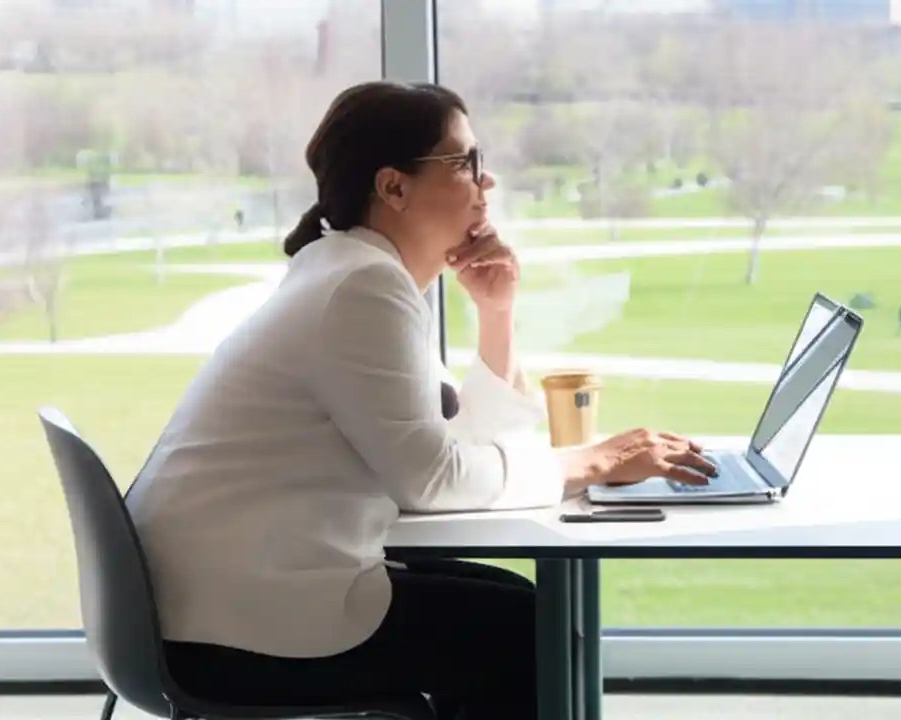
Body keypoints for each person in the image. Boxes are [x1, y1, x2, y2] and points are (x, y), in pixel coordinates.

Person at [124, 81, 717, 720]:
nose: (485, 186)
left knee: (518, 609)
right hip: (235, 630)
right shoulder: (361, 288)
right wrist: (590, 464)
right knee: (520, 630)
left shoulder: (356, 272)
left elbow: (458, 444)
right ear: (394, 187)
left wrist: (496, 314)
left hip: (230, 601)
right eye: (465, 164)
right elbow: (433, 479)